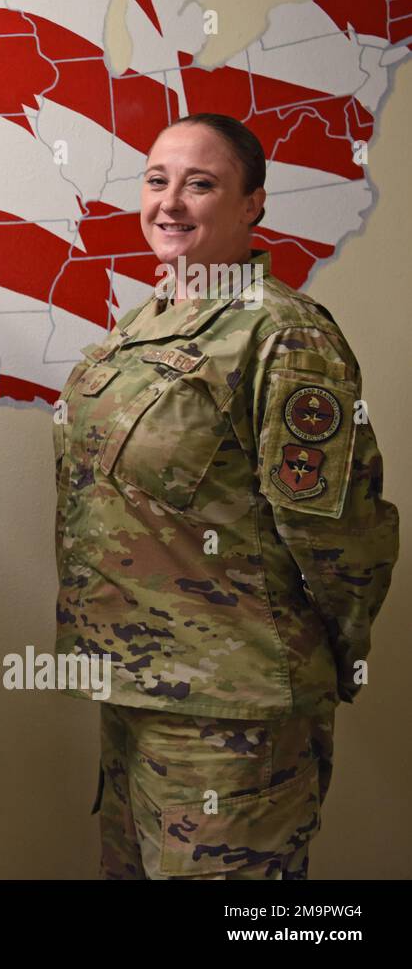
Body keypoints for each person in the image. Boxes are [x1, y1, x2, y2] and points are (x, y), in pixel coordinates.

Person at [53, 113, 399, 879]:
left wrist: (320, 658)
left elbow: (339, 532)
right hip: (136, 688)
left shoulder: (281, 334)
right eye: (156, 180)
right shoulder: (140, 328)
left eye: (200, 184)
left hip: (234, 712)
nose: (170, 202)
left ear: (252, 205)